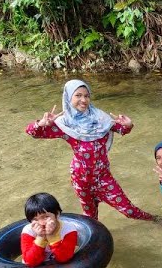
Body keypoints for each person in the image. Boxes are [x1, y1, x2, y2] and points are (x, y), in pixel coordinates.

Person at [27, 79, 154, 222]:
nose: (83, 100)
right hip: (81, 181)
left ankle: (155, 220)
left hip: (103, 178)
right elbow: (33, 133)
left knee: (129, 211)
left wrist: (129, 125)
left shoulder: (100, 118)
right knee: (91, 219)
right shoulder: (65, 124)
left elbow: (122, 129)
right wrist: (41, 124)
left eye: (86, 96)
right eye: (78, 95)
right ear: (69, 97)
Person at [19, 192, 78, 266]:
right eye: (35, 219)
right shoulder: (28, 231)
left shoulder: (69, 229)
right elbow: (30, 262)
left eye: (46, 217)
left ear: (57, 214)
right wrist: (40, 237)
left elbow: (65, 258)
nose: (41, 223)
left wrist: (52, 236)